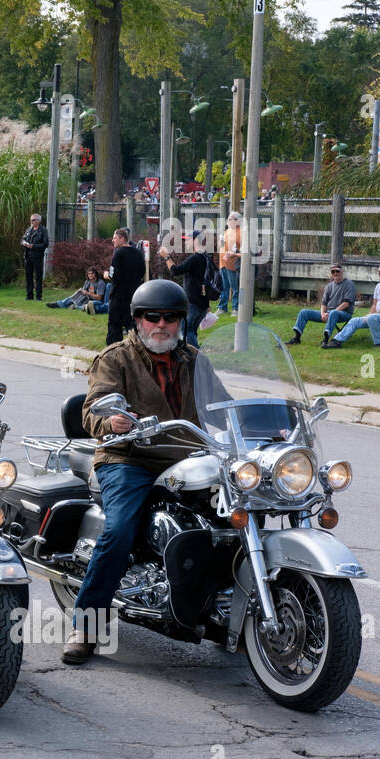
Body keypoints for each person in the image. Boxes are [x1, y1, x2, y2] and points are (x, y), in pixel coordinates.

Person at [64, 279, 221, 664]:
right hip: (128, 457)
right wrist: (112, 421)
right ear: (137, 320)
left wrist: (266, 424)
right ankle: (86, 625)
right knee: (119, 532)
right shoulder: (115, 359)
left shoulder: (195, 360)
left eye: (171, 317)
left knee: (230, 517)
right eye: (153, 317)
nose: (162, 325)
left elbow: (222, 405)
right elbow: (91, 409)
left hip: (186, 458)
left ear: (182, 321)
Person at [324, 263, 380, 349]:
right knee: (354, 321)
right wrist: (370, 314)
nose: (378, 273)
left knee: (371, 318)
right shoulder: (379, 286)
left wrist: (373, 315)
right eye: (378, 271)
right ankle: (336, 341)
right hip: (378, 315)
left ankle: (379, 343)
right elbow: (374, 304)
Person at [286, 265, 357, 347]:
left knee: (334, 312)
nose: (335, 273)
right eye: (333, 272)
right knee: (304, 312)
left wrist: (331, 313)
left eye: (337, 271)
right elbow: (323, 303)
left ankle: (326, 340)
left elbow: (346, 303)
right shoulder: (329, 286)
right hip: (328, 313)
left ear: (342, 272)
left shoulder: (349, 284)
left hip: (343, 313)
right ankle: (297, 338)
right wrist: (323, 314)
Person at [165, 233, 211, 347]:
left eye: (188, 240)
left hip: (193, 302)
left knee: (186, 331)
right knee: (192, 331)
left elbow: (175, 271)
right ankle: (194, 359)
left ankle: (197, 359)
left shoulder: (195, 257)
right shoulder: (206, 257)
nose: (185, 243)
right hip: (202, 302)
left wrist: (166, 257)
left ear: (196, 240)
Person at [104, 228, 143, 345]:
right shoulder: (138, 253)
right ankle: (136, 347)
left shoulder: (118, 253)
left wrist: (106, 275)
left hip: (118, 296)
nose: (112, 240)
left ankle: (113, 350)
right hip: (133, 296)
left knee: (114, 325)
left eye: (115, 238)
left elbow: (114, 274)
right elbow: (143, 272)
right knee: (131, 325)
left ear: (122, 238)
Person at [21, 213, 49, 301]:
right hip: (28, 256)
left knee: (38, 277)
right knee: (28, 276)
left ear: (38, 221)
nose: (31, 222)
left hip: (37, 257)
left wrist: (33, 246)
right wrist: (24, 243)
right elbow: (22, 239)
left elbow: (45, 244)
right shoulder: (29, 229)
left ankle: (38, 296)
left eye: (33, 220)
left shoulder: (43, 230)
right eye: (31, 220)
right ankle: (29, 295)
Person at [219, 212, 241, 314]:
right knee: (224, 287)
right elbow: (223, 245)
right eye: (228, 219)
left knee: (234, 287)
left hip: (233, 263)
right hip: (223, 262)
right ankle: (222, 307)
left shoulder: (240, 232)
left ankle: (235, 308)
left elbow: (241, 249)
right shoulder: (227, 231)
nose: (229, 221)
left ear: (237, 221)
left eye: (231, 219)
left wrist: (234, 253)